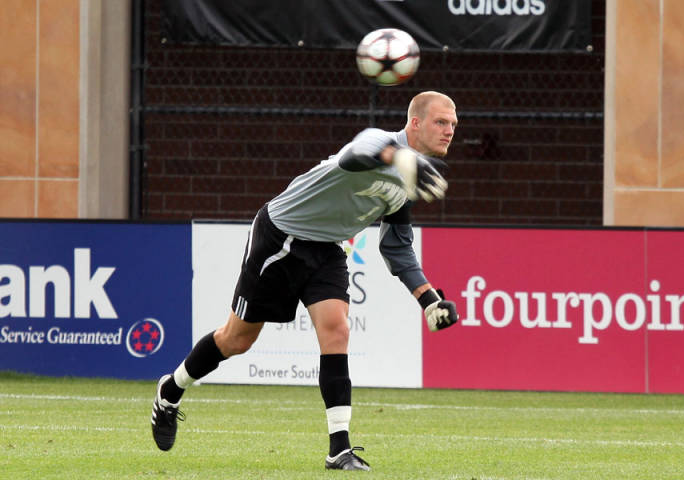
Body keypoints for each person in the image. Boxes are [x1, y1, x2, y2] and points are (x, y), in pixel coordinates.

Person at [150, 91, 460, 471]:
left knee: (337, 330)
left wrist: (429, 300)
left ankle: (339, 448)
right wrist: (401, 158)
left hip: (327, 248)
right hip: (281, 235)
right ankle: (171, 390)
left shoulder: (409, 182)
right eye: (441, 122)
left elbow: (396, 249)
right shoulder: (382, 142)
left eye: (453, 125)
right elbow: (355, 153)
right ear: (415, 122)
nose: (449, 130)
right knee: (237, 339)